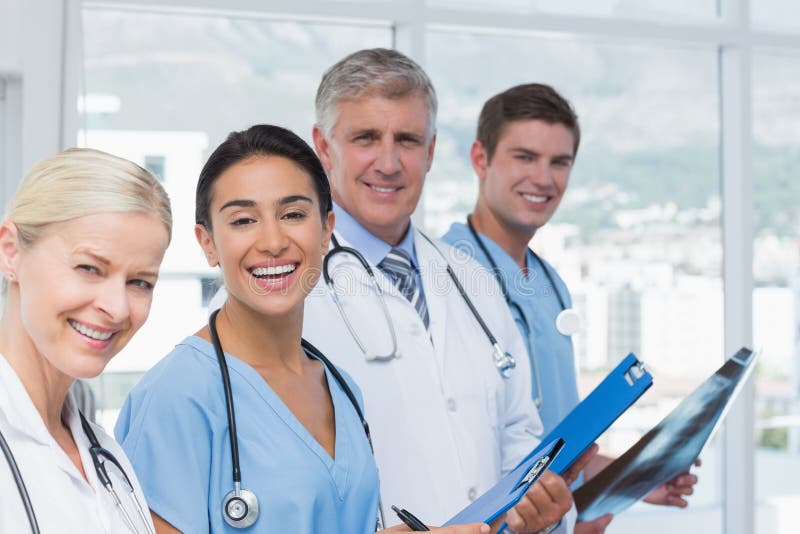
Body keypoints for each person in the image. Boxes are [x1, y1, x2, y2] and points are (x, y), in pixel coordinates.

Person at [115, 124, 490, 534]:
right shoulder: (176, 397)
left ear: (327, 230)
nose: (273, 241)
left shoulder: (340, 387)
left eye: (293, 214)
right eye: (243, 220)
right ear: (208, 243)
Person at [302, 48, 587, 533]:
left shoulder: (470, 278)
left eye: (408, 140)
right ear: (324, 149)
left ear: (431, 152)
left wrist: (541, 512)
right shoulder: (292, 290)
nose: (389, 163)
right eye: (366, 138)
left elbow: (519, 432)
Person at [442, 83, 700, 533]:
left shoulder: (550, 284)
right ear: (480, 159)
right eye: (524, 157)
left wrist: (640, 476)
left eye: (559, 162)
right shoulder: (442, 278)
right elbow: (461, 465)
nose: (543, 178)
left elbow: (560, 449)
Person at [0, 148, 172, 533]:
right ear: (11, 252)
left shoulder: (107, 456)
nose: (117, 308)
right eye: (89, 268)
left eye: (140, 282)